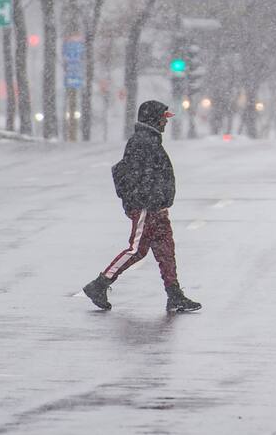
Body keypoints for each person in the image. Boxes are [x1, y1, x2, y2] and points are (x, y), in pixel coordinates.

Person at [81, 100, 202, 313]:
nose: (166, 122)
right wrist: (149, 201)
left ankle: (174, 295)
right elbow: (138, 176)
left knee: (166, 249)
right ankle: (99, 284)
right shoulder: (142, 142)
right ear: (153, 119)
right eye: (163, 118)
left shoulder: (151, 140)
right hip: (148, 207)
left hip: (157, 208)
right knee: (137, 249)